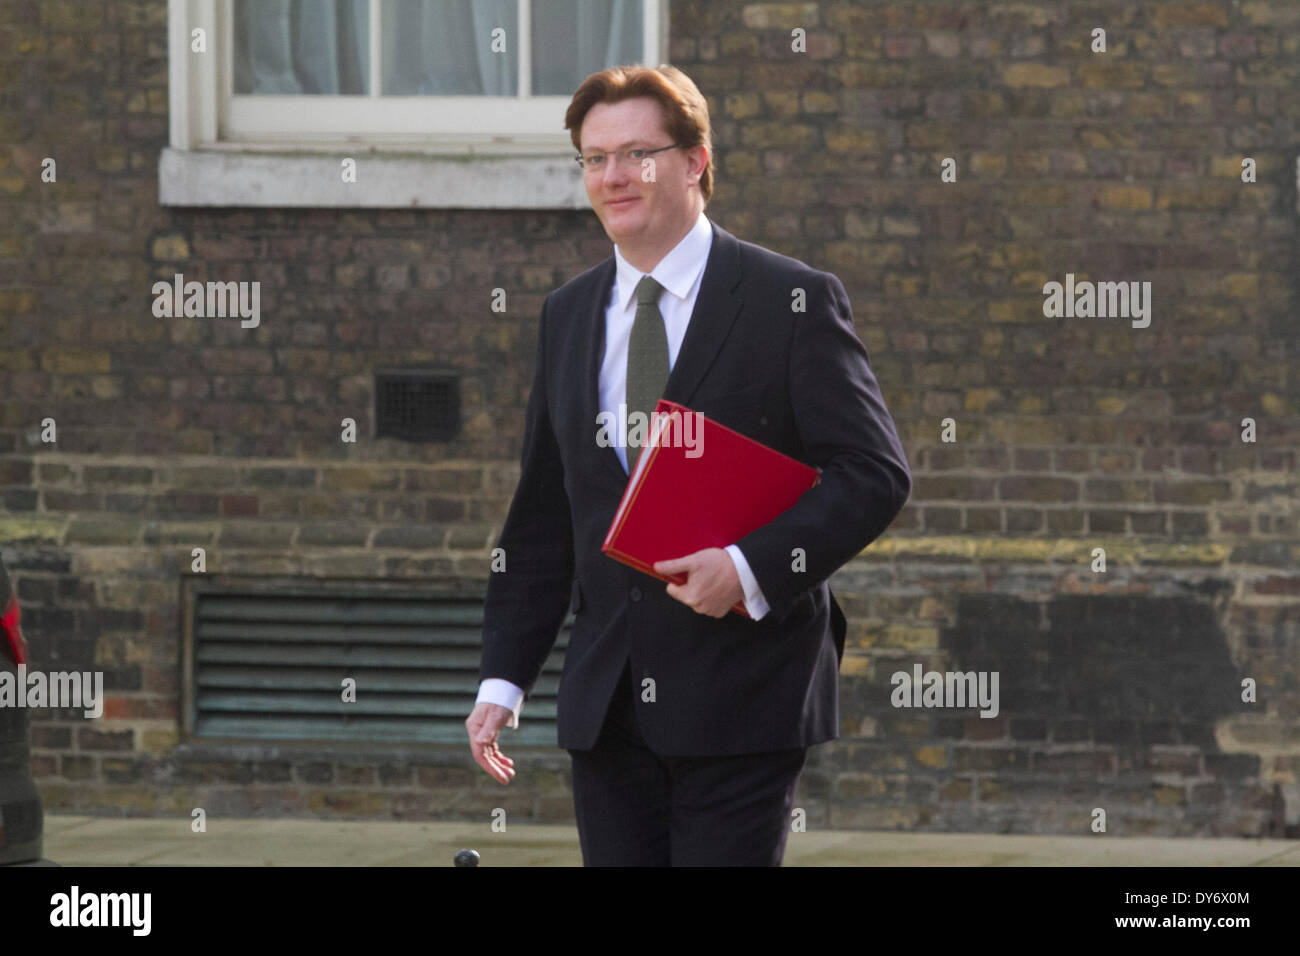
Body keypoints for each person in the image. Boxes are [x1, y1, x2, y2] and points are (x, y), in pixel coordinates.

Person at [465, 64, 911, 866]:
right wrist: (504, 679)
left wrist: (746, 567)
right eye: (594, 158)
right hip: (607, 702)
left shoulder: (791, 301)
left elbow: (873, 472)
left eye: (638, 153)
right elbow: (542, 515)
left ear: (697, 160)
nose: (613, 177)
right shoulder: (567, 314)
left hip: (744, 694)